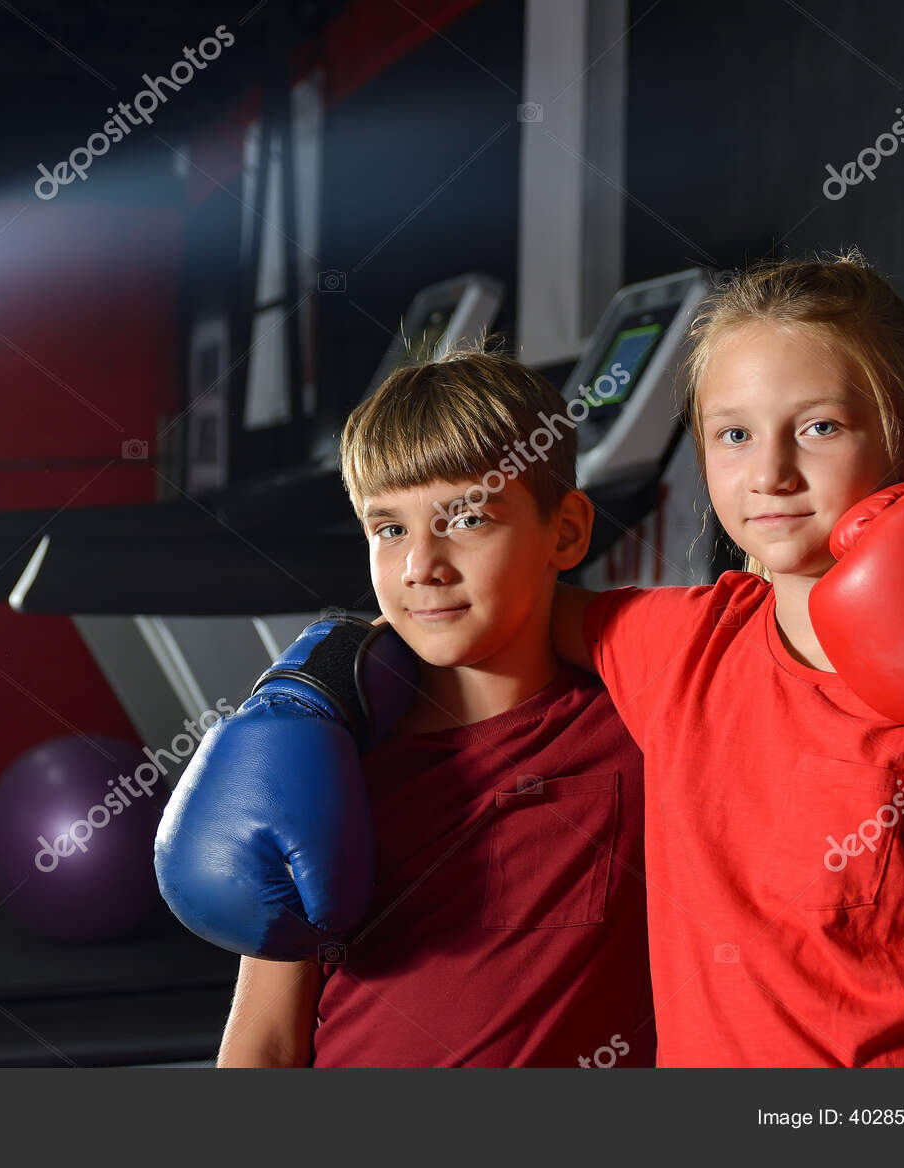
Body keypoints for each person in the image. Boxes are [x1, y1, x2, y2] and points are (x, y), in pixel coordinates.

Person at [546, 249, 904, 1067]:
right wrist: (320, 677)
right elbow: (505, 605)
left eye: (820, 427)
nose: (769, 473)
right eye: (733, 434)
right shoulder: (681, 646)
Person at [204, 347, 655, 1067]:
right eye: (390, 530)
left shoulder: (643, 726)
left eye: (468, 519)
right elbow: (265, 1036)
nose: (422, 566)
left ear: (565, 531)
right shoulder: (332, 759)